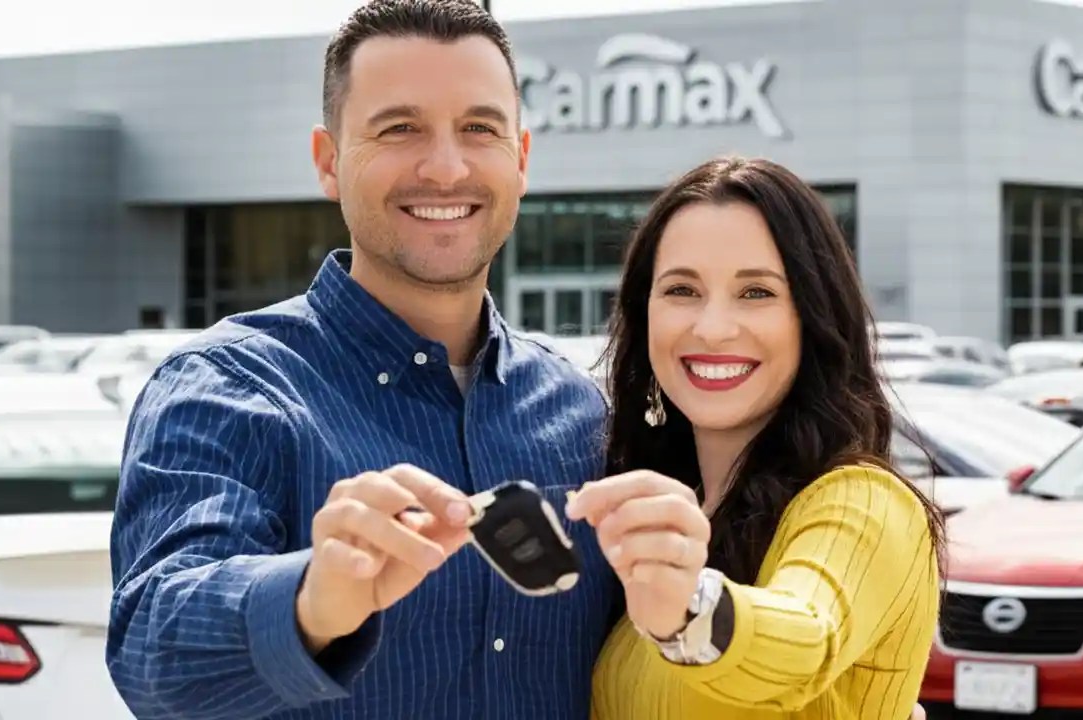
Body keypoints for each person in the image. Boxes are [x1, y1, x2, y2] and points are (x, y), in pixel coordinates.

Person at [106, 2, 617, 718]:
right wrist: (315, 600)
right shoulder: (227, 387)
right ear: (328, 161)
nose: (446, 167)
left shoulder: (583, 412)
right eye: (399, 128)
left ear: (521, 159)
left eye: (480, 128)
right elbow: (153, 655)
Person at [566, 157, 945, 719]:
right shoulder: (663, 508)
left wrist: (689, 612)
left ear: (814, 317)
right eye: (681, 289)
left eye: (756, 293)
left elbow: (807, 640)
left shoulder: (863, 502)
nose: (713, 327)